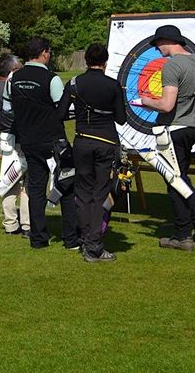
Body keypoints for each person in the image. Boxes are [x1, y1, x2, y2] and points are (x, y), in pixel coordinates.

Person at [137, 24, 195, 251]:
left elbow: (166, 105)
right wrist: (189, 107)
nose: (156, 50)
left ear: (166, 40)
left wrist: (145, 100)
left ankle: (183, 236)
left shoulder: (172, 65)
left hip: (171, 131)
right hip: (190, 129)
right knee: (181, 178)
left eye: (157, 45)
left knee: (174, 183)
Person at [3, 36, 78, 250]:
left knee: (35, 188)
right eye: (50, 52)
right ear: (44, 52)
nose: (50, 55)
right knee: (66, 185)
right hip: (54, 141)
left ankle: (38, 239)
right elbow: (63, 111)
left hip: (29, 141)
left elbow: (8, 110)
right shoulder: (51, 79)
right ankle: (71, 239)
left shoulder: (13, 78)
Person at [65, 43, 127, 263]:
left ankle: (87, 239)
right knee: (100, 193)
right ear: (105, 62)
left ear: (87, 60)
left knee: (82, 193)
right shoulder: (113, 85)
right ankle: (93, 245)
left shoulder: (73, 83)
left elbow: (62, 113)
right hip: (105, 142)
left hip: (82, 142)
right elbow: (121, 118)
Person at [0, 53, 28, 236]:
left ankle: (11, 223)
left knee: (9, 180)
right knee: (28, 183)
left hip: (5, 140)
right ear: (13, 71)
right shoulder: (15, 89)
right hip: (21, 139)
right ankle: (28, 224)